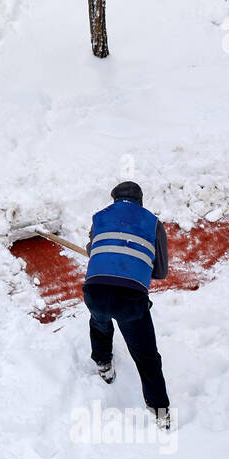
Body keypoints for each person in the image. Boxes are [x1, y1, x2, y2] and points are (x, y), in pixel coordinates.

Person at [82, 181, 173, 429]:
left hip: (96, 290)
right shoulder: (153, 223)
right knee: (146, 357)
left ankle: (103, 364)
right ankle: (161, 412)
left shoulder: (99, 217)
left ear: (114, 199)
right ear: (140, 201)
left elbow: (94, 250)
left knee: (99, 320)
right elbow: (161, 270)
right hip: (131, 298)